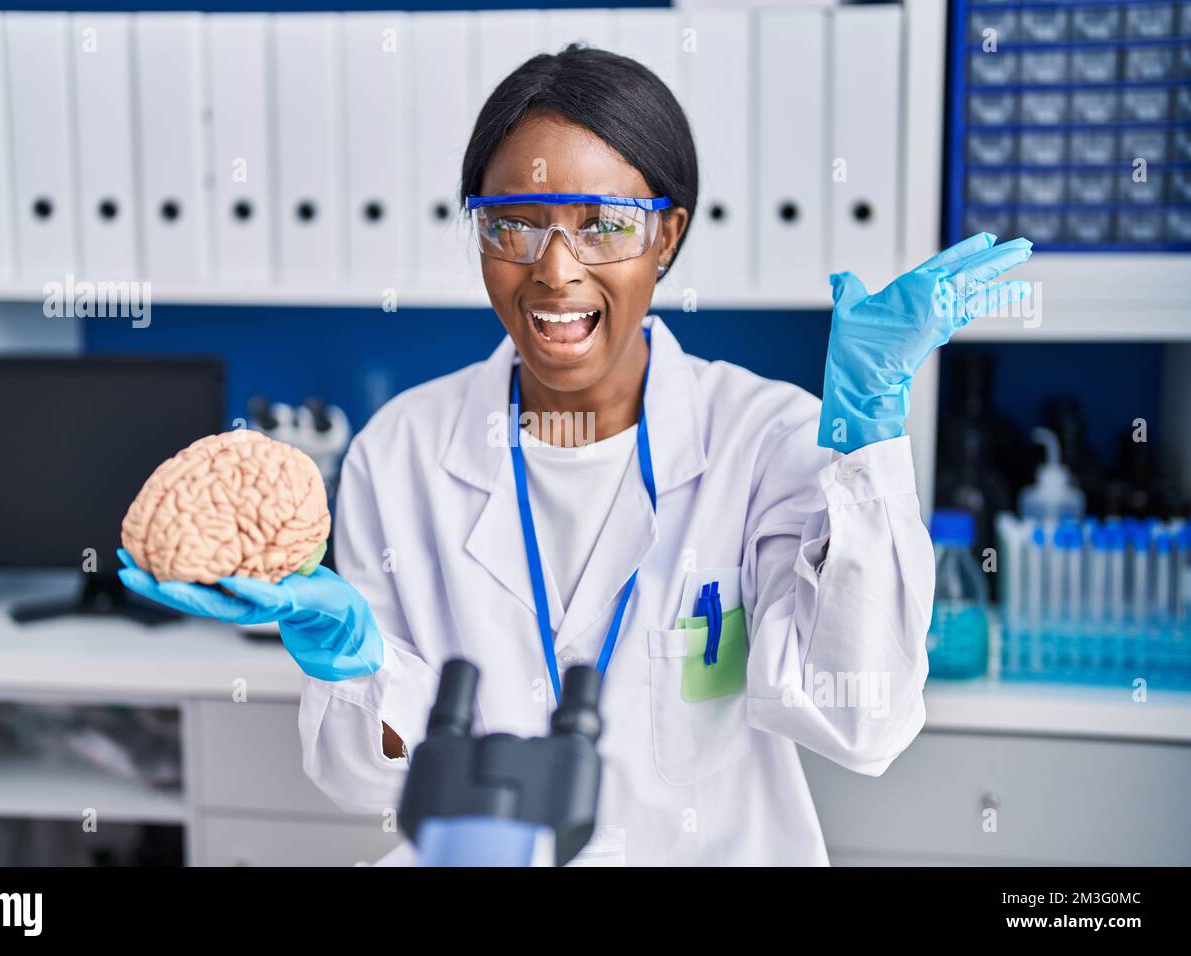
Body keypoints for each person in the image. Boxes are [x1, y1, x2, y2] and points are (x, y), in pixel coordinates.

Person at [120, 45, 1032, 865]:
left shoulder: (768, 442)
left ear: (667, 236)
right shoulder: (400, 452)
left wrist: (867, 435)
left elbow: (860, 719)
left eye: (605, 224)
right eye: (514, 222)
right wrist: (350, 660)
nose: (555, 270)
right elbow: (369, 783)